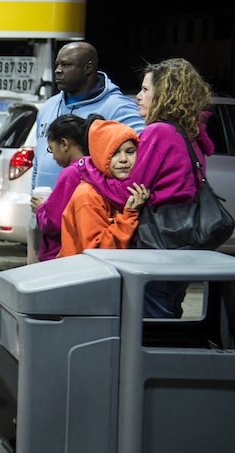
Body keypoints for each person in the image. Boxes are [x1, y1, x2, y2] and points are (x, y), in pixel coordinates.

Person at [77, 57, 214, 317]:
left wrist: (87, 166)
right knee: (169, 314)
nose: (138, 97)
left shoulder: (159, 132)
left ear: (164, 94)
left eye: (145, 90)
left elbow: (124, 194)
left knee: (150, 323)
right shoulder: (190, 132)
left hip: (159, 246)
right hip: (185, 242)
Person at [29, 42, 144, 261]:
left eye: (66, 65)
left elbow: (138, 160)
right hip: (45, 219)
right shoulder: (49, 106)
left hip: (85, 220)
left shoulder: (118, 108)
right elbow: (38, 159)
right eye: (57, 65)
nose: (58, 71)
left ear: (88, 67)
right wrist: (35, 211)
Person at [57, 119, 149, 257]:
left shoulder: (134, 188)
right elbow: (97, 251)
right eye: (114, 153)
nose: (123, 159)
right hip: (84, 268)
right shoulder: (88, 194)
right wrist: (129, 215)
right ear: (101, 155)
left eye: (130, 152)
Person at [30, 113, 89, 261]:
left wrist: (40, 209)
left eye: (51, 149)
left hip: (60, 254)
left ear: (64, 144)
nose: (53, 156)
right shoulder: (91, 168)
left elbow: (54, 224)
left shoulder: (70, 173)